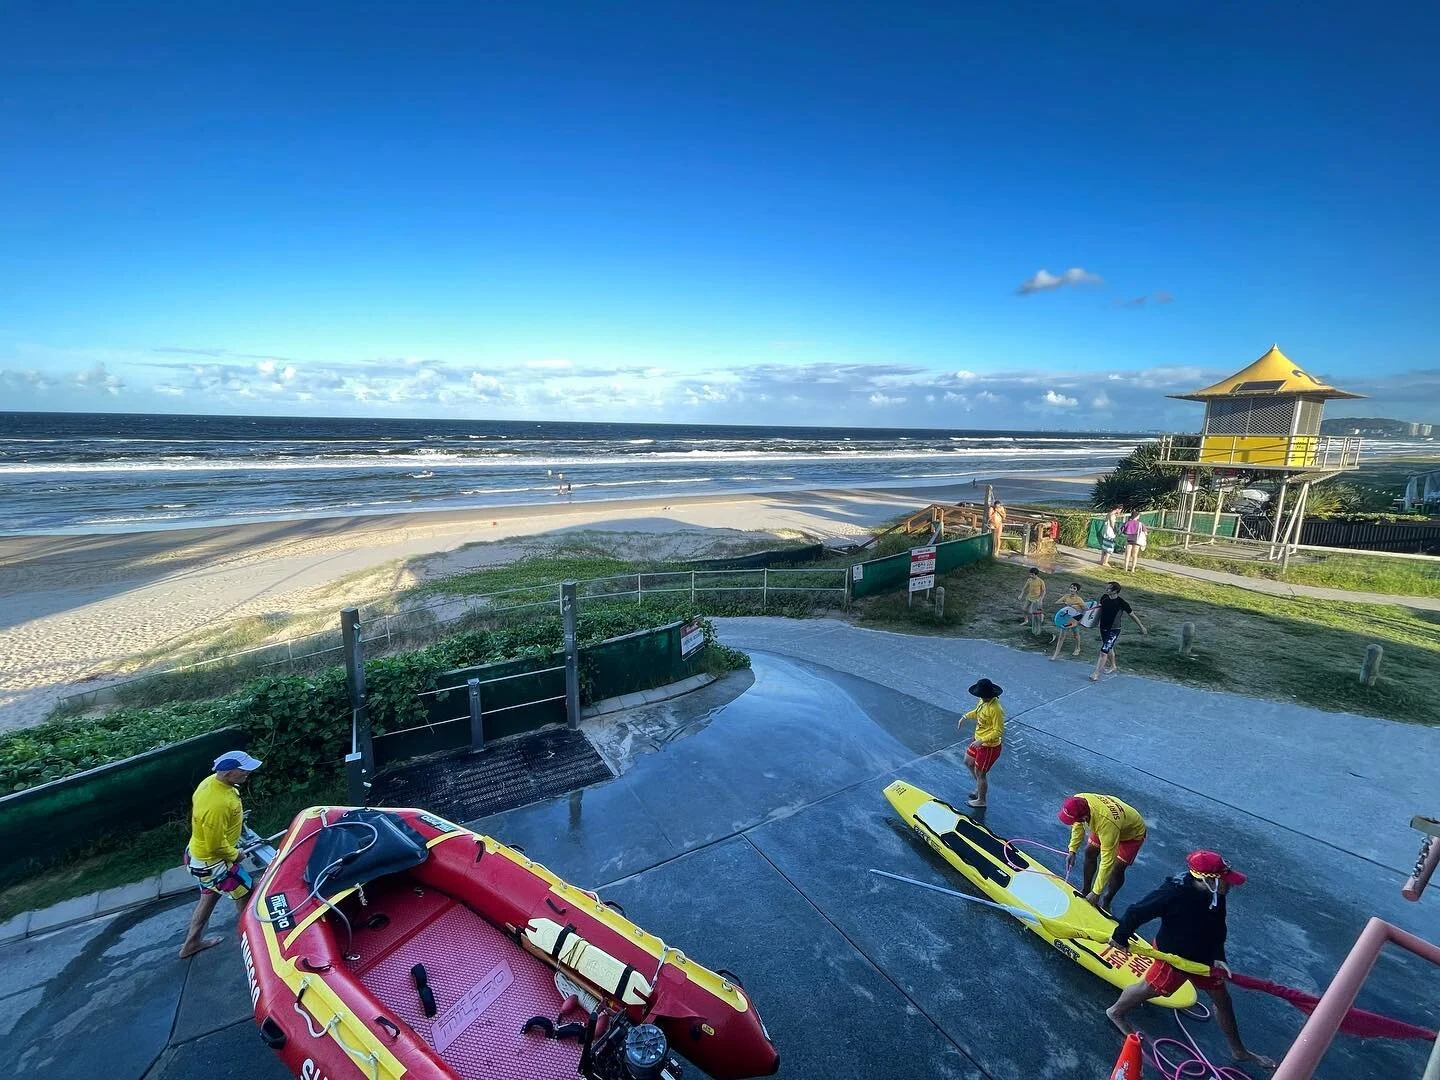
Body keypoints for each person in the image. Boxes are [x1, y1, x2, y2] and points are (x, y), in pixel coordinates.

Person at [1105, 851, 1277, 1070]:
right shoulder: (1173, 893)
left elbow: (1218, 926)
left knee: (1223, 1002)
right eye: (1226, 880)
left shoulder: (1216, 893)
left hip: (1203, 961)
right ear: (1208, 880)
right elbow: (1137, 912)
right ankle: (1116, 1012)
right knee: (1151, 989)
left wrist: (1218, 956)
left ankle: (1238, 1051)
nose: (1230, 885)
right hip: (1174, 957)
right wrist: (1120, 937)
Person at [178, 750, 262, 959]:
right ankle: (251, 947)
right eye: (243, 770)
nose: (248, 773)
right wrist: (236, 854)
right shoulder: (218, 803)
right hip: (213, 863)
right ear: (227, 773)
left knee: (209, 895)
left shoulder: (211, 783)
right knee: (246, 892)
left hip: (198, 858)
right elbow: (215, 844)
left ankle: (191, 943)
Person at [1059, 792, 1147, 912]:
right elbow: (1078, 824)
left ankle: (1106, 900)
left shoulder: (1106, 824)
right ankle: (1085, 890)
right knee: (1090, 851)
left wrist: (1097, 892)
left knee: (1117, 868)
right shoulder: (1078, 800)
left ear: (1084, 817)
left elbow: (1107, 861)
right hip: (1106, 819)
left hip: (1131, 833)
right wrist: (1072, 850)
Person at [958, 678, 1004, 809]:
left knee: (980, 773)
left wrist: (982, 740)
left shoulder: (996, 710)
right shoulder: (983, 700)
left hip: (988, 747)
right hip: (978, 741)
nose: (981, 698)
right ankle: (979, 787)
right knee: (968, 761)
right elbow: (977, 711)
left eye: (984, 696)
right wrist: (965, 717)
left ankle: (982, 800)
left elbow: (998, 731)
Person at [1089, 581, 1147, 682]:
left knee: (1103, 652)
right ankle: (1113, 666)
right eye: (1106, 588)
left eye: (1109, 588)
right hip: (1103, 628)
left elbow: (1132, 615)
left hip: (1114, 630)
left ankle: (1096, 673)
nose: (1106, 590)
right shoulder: (1104, 598)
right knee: (1109, 648)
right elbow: (1098, 610)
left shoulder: (1122, 603)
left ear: (1115, 590)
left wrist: (1141, 626)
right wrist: (1090, 621)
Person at [1050, 581, 1088, 660]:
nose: (1071, 589)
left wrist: (1075, 608)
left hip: (1074, 618)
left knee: (1076, 634)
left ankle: (1078, 648)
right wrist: (1065, 603)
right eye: (1071, 588)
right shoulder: (1066, 596)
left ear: (1077, 590)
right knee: (1061, 636)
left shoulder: (1079, 599)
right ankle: (1055, 655)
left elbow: (1085, 609)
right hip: (1066, 618)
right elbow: (1056, 602)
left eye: (1074, 588)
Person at [1018, 567, 1046, 632]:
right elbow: (1024, 588)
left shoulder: (1041, 581)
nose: (1030, 576)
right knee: (1024, 609)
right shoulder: (1029, 580)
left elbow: (1044, 591)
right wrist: (1021, 595)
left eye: (1032, 574)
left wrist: (1041, 599)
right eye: (1030, 574)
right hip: (1029, 597)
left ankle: (1041, 615)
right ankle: (1026, 620)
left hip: (1036, 599)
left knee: (1031, 612)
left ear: (1036, 574)